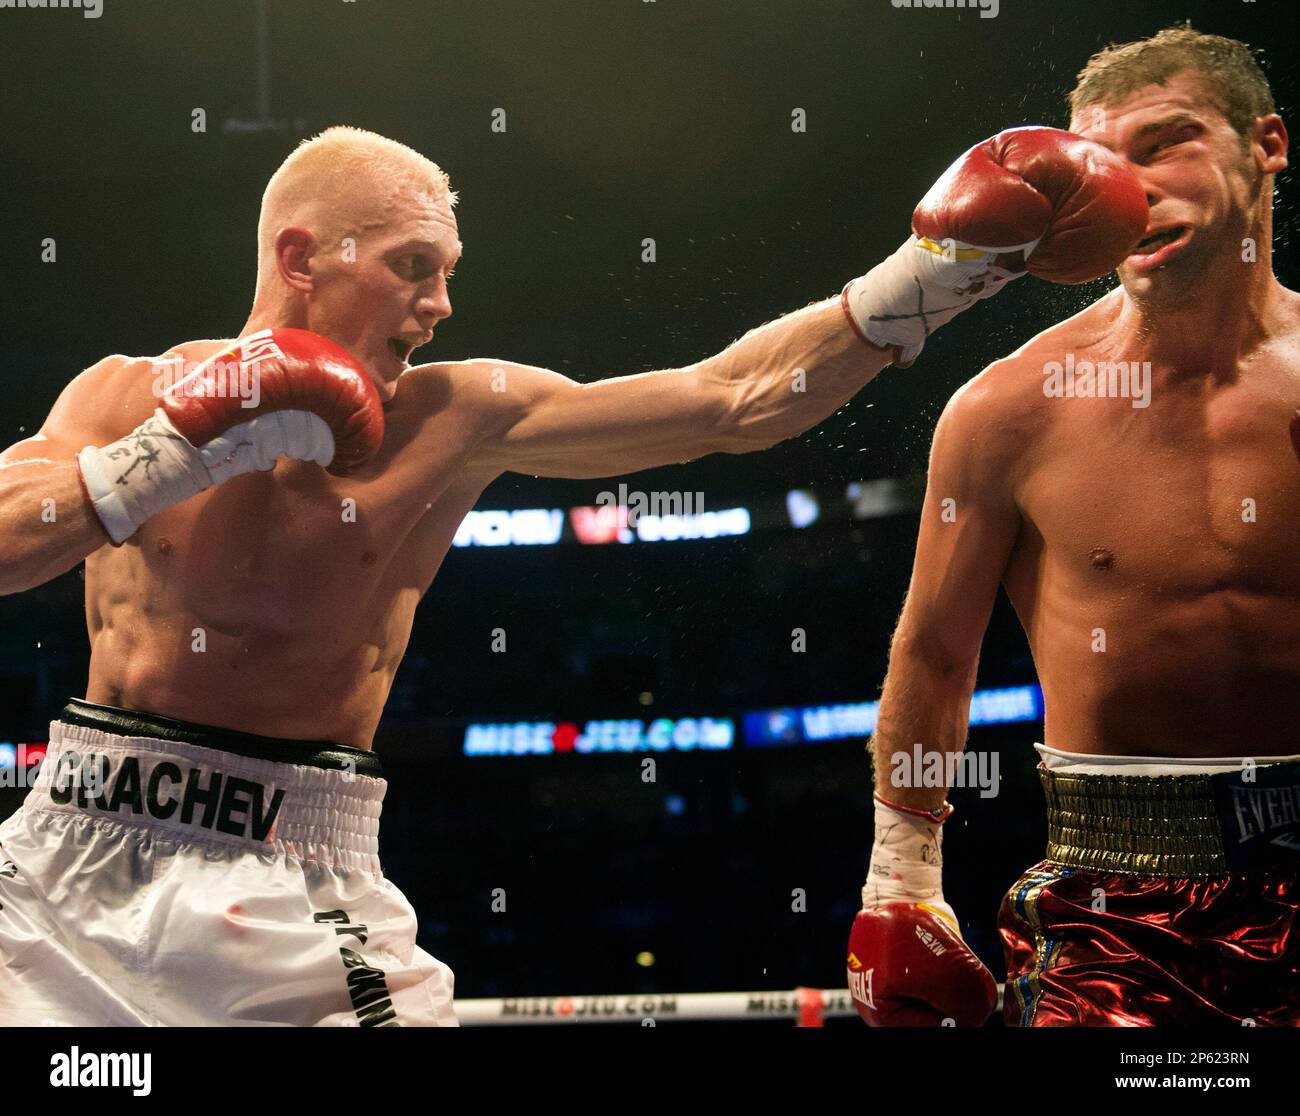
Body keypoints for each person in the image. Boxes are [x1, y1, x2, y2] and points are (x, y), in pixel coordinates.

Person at [0, 118, 1139, 1025]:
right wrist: (177, 449)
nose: (439, 306)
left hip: (295, 877)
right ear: (303, 256)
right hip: (66, 867)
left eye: (446, 274)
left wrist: (931, 275)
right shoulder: (123, 395)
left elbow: (729, 403)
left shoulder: (454, 416)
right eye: (412, 268)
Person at [847, 25, 1300, 1028]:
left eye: (1165, 144)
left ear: (1264, 144)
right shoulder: (1007, 412)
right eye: (1101, 166)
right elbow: (930, 652)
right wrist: (900, 882)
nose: (1131, 191)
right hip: (1114, 911)